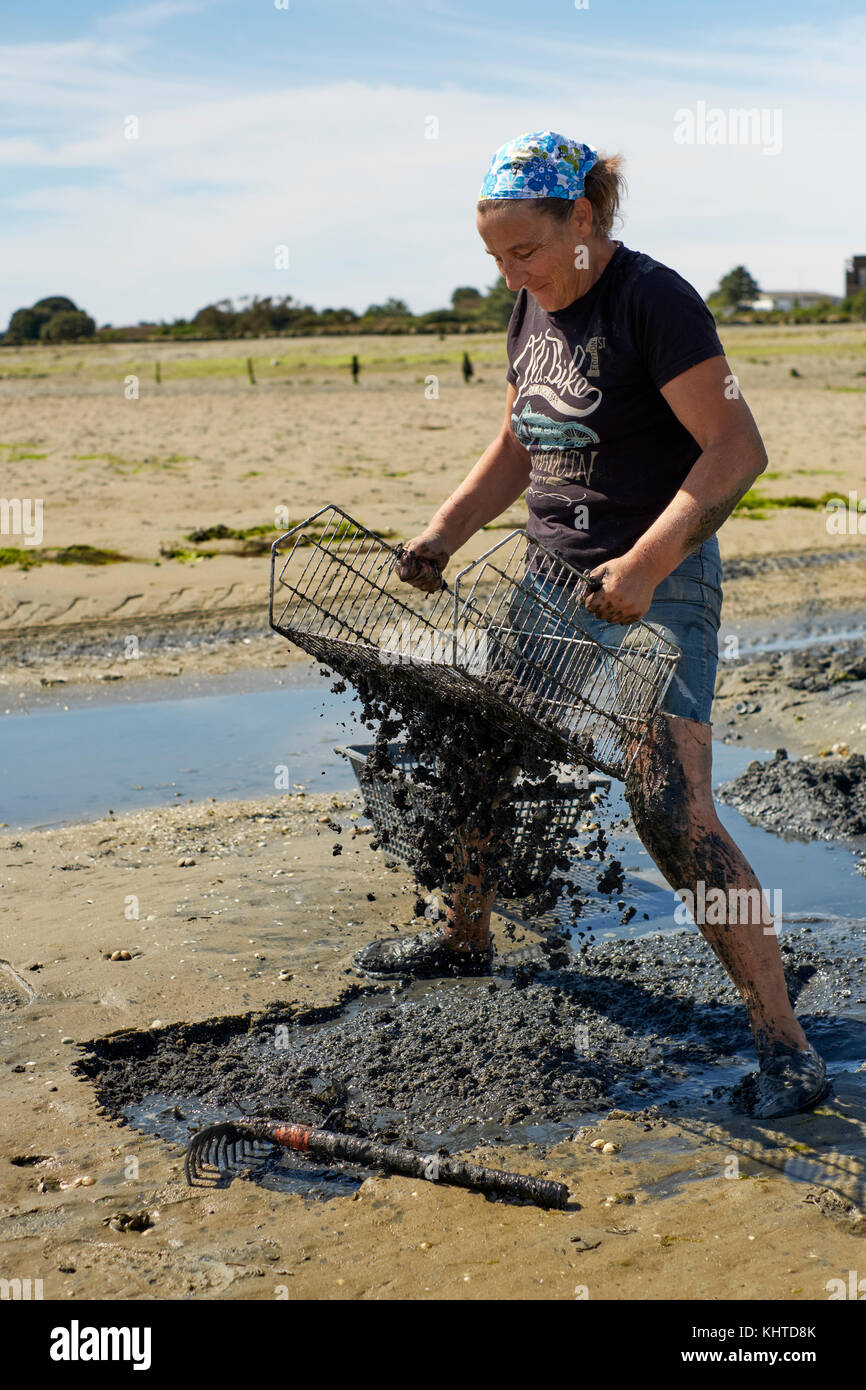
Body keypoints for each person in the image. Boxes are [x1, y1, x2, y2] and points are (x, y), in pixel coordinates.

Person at [353, 130, 828, 1120]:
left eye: (523, 250)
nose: (510, 272)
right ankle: (463, 937)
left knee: (665, 804)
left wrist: (646, 563)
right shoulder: (530, 306)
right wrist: (441, 533)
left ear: (585, 220)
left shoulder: (654, 300)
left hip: (660, 585)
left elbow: (736, 449)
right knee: (479, 750)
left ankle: (783, 1046)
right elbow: (520, 437)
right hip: (547, 582)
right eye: (494, 256)